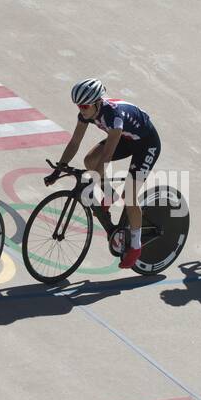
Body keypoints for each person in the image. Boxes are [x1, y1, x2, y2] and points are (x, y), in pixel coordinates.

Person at [55, 78, 159, 270]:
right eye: (78, 106)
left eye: (84, 106)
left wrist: (93, 181)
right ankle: (110, 194)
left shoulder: (114, 117)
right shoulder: (87, 113)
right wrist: (60, 167)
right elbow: (75, 142)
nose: (81, 110)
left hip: (146, 143)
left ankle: (135, 247)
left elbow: (107, 157)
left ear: (96, 103)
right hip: (127, 139)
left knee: (129, 195)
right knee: (89, 161)